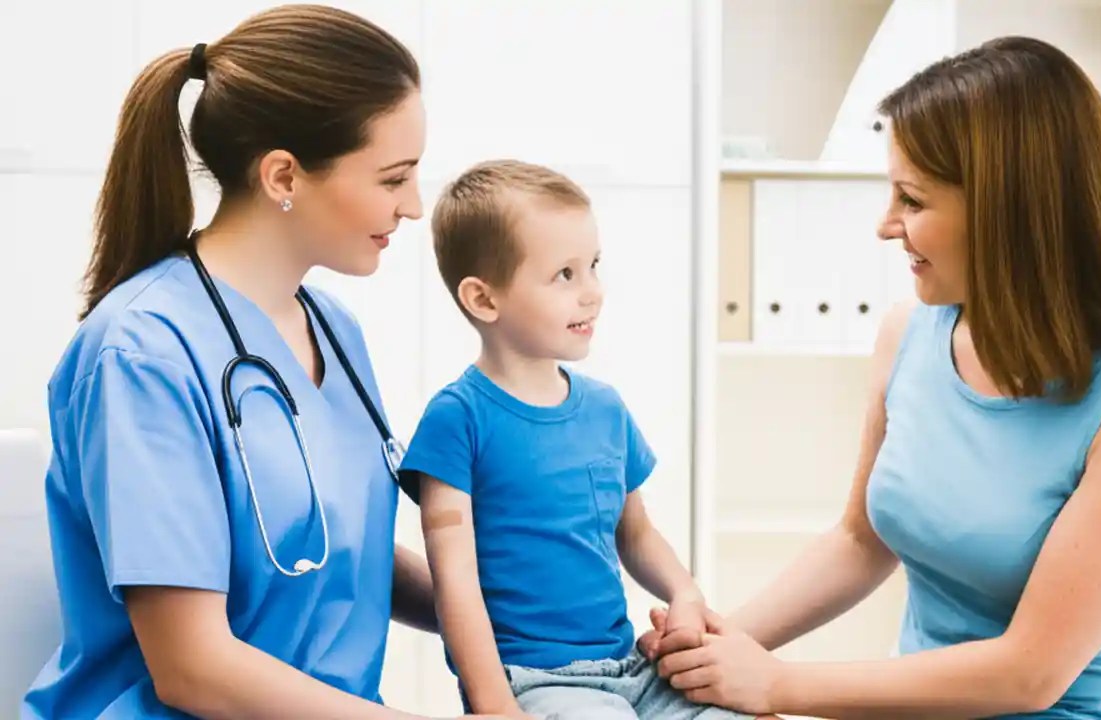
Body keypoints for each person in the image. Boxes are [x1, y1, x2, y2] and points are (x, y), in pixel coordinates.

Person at [639, 36, 1101, 718]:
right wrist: (718, 644)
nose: (885, 225)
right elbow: (860, 541)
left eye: (912, 199)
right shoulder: (910, 332)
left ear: (1006, 208)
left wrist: (777, 685)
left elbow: (1031, 673)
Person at [21, 5, 507, 719]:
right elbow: (193, 670)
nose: (413, 206)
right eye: (392, 177)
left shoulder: (331, 328)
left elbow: (330, 557)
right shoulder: (141, 352)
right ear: (283, 174)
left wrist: (532, 622)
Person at [397, 160, 773, 720]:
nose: (592, 292)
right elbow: (454, 584)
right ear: (483, 300)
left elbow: (636, 531)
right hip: (531, 680)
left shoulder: (605, 408)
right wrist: (494, 704)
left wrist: (685, 594)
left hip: (628, 668)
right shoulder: (458, 419)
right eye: (564, 275)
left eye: (593, 266)